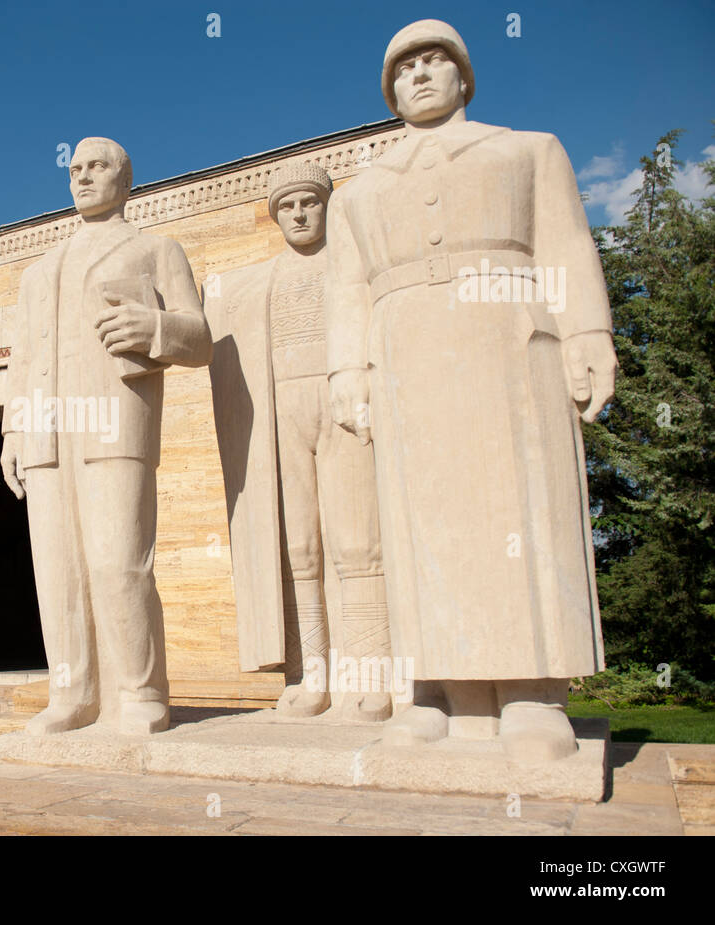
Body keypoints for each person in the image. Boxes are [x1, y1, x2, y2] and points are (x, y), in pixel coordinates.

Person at [323, 20, 617, 762]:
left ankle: (530, 691)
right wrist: (345, 370)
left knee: (514, 503)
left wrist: (589, 334)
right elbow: (346, 288)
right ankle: (438, 688)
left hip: (506, 341)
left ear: (463, 77)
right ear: (390, 92)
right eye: (404, 68)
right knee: (420, 514)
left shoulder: (525, 149)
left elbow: (565, 243)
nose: (419, 75)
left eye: (434, 62)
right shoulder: (361, 192)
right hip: (403, 351)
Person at [0, 137, 212, 736]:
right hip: (46, 428)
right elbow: (22, 358)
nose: (83, 177)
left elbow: (200, 339)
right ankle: (72, 694)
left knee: (120, 560)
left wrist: (156, 326)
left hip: (114, 415)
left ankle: (140, 691)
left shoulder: (155, 249)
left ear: (126, 180)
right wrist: (13, 430)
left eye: (98, 167)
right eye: (74, 168)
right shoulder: (40, 271)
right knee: (57, 568)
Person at [209, 163, 391, 721]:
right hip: (281, 413)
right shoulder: (259, 281)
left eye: (309, 202)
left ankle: (372, 676)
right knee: (301, 549)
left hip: (342, 406)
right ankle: (314, 674)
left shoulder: (351, 267)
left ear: (327, 205)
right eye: (287, 206)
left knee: (357, 543)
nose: (299, 214)